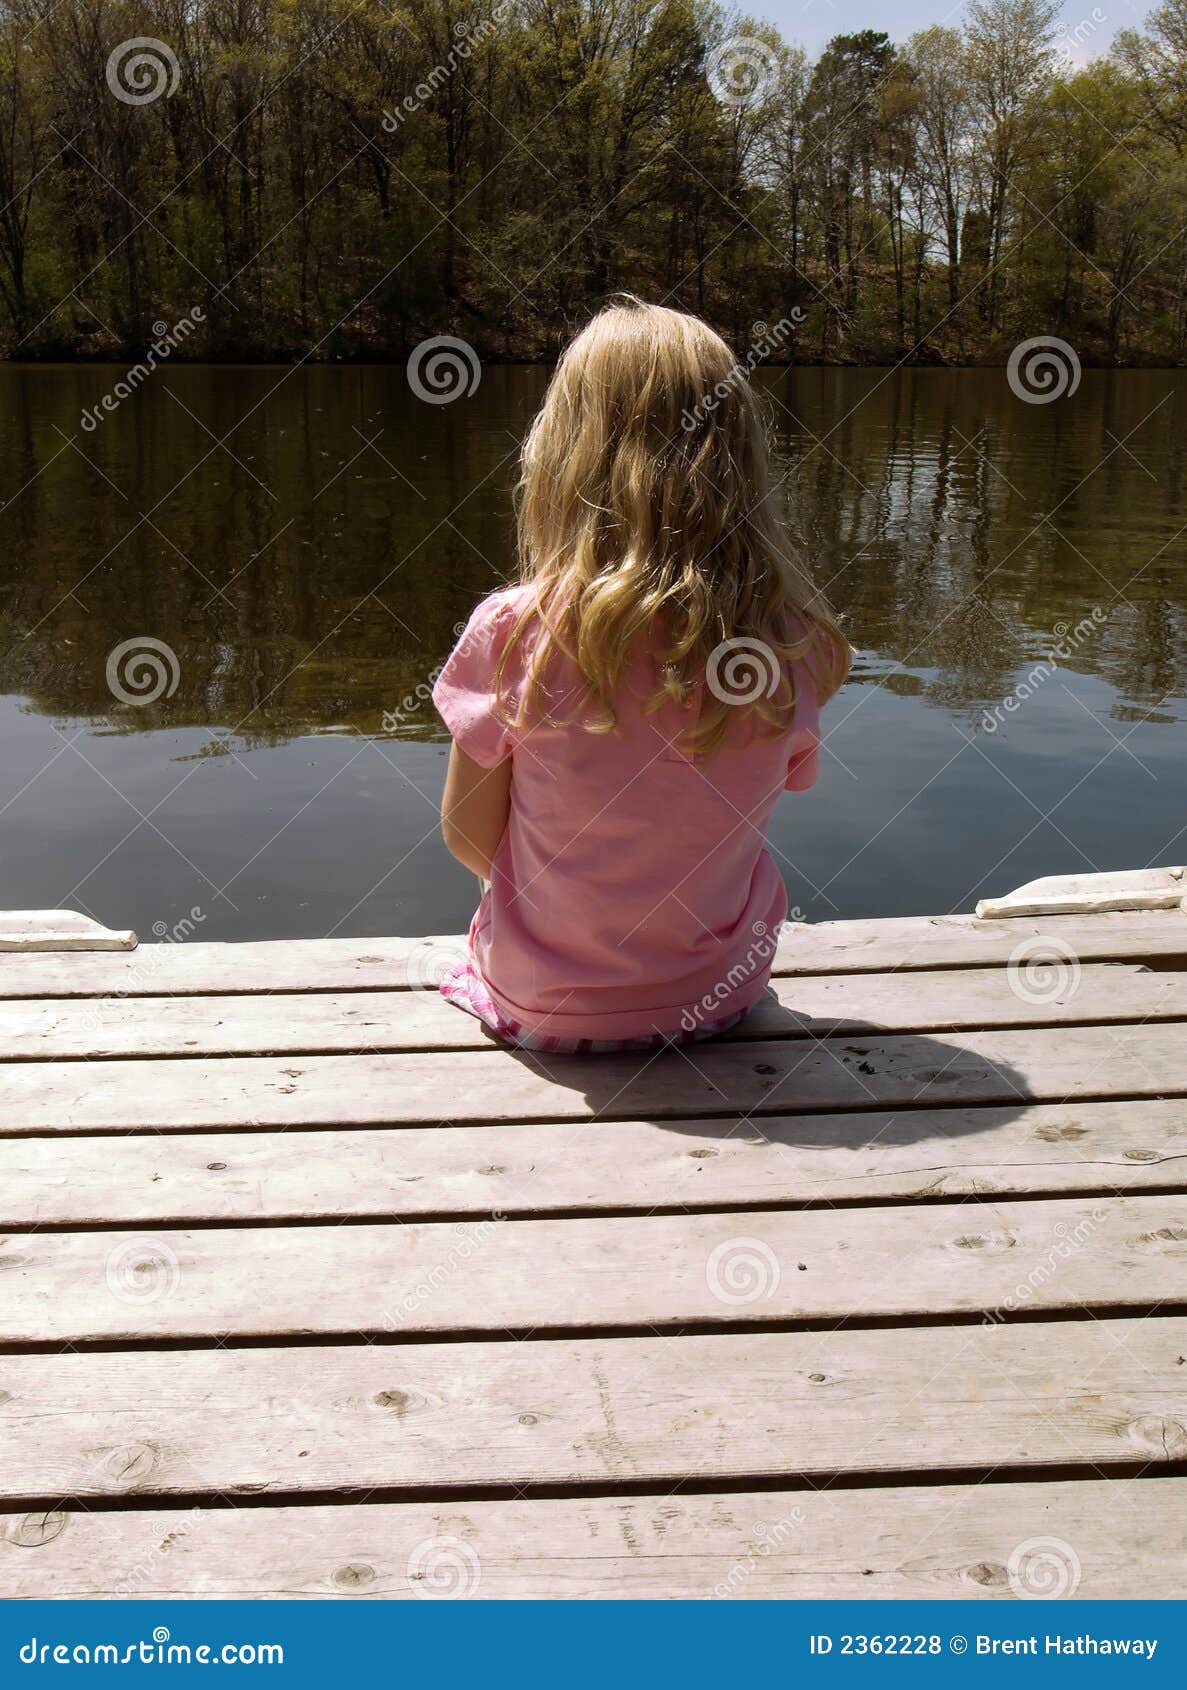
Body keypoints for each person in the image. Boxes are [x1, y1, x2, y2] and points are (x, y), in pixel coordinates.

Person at [431, 298, 850, 1053]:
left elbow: (468, 837)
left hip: (547, 1009)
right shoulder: (791, 641)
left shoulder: (515, 630)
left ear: (563, 451)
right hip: (715, 1001)